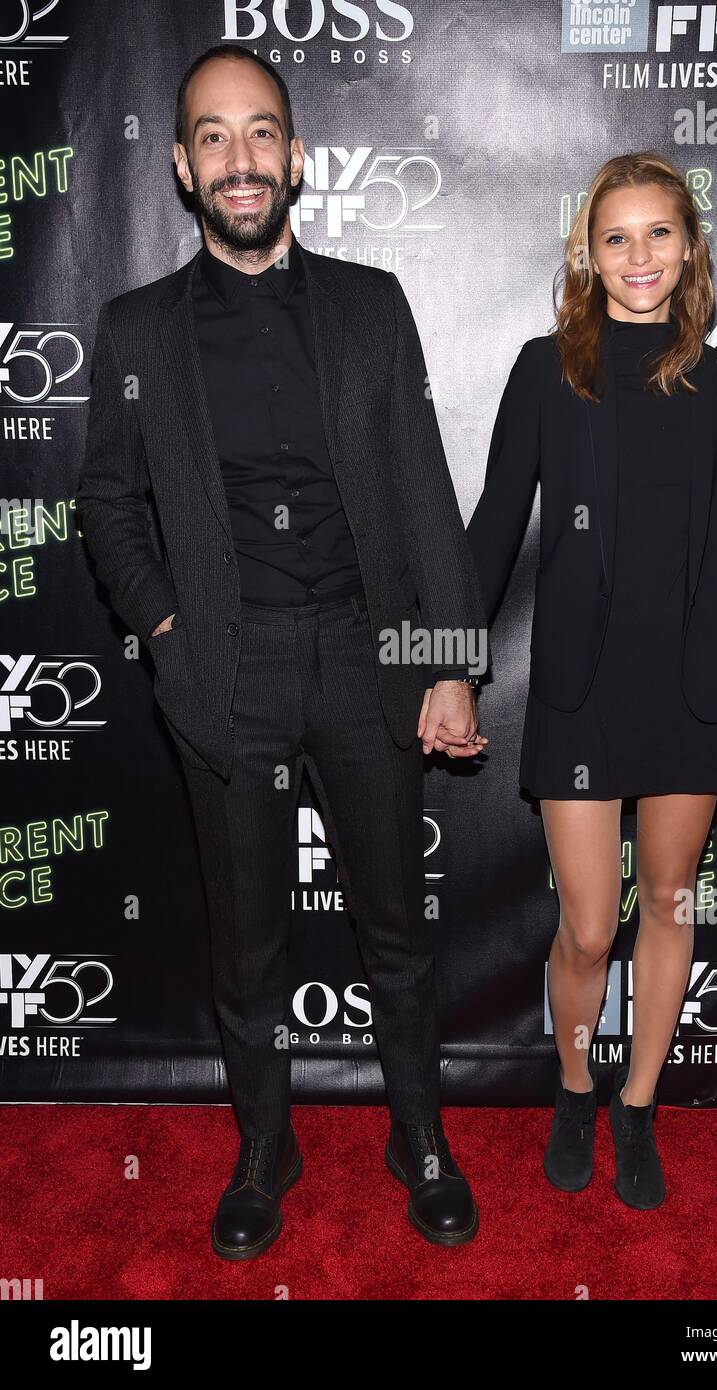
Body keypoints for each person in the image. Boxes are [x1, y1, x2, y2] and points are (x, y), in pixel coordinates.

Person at [76, 43, 488, 1258]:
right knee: (246, 940)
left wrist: (449, 657)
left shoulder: (371, 303)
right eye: (213, 137)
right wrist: (165, 631)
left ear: (296, 157)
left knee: (396, 933)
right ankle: (266, 1144)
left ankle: (419, 1136)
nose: (239, 159)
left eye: (261, 133)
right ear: (181, 165)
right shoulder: (138, 328)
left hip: (367, 664)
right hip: (226, 670)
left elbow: (422, 488)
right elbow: (106, 500)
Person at [466, 152, 717, 1210]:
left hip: (696, 681)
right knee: (592, 925)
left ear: (690, 247)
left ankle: (638, 1105)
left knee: (665, 896)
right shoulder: (543, 367)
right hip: (578, 686)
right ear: (586, 252)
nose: (638, 255)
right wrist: (445, 667)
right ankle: (574, 1083)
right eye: (616, 236)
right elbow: (491, 532)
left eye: (659, 233)